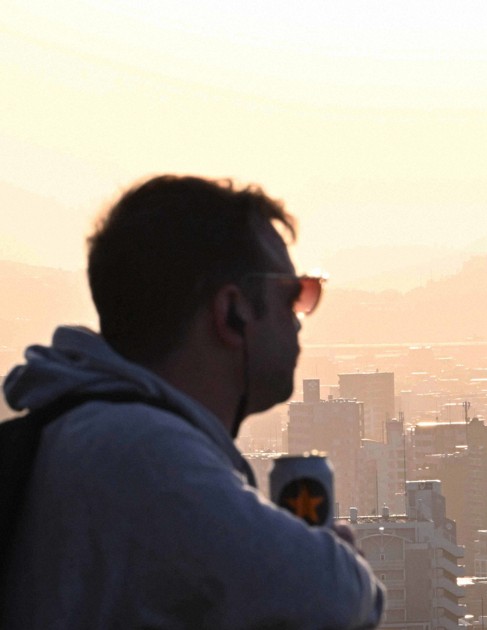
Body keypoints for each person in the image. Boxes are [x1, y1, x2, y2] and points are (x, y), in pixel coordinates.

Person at [1, 175, 384, 628]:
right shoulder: (142, 451)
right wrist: (341, 557)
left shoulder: (92, 430)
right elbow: (329, 596)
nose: (301, 320)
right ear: (232, 312)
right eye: (293, 295)